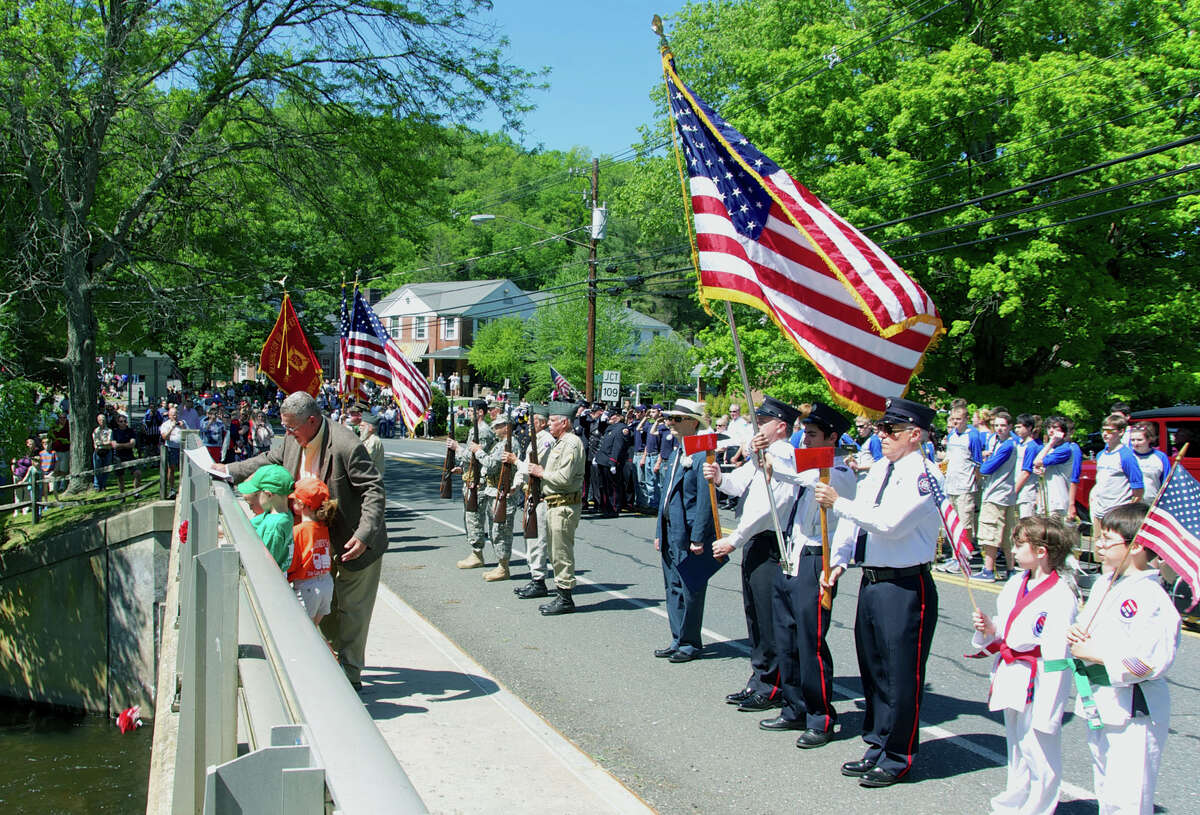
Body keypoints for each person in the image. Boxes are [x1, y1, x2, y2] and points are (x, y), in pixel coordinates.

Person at [813, 397, 941, 788]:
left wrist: (840, 503)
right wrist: (839, 558)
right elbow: (857, 521)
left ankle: (900, 754)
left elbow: (889, 524)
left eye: (891, 431)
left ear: (915, 435)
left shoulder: (926, 475)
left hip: (906, 584)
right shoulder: (882, 468)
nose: (882, 436)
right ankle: (877, 742)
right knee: (874, 670)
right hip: (872, 579)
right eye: (882, 429)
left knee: (901, 674)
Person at [222, 391, 386, 692]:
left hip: (353, 541)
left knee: (352, 611)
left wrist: (363, 534)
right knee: (325, 607)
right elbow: (267, 460)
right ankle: (331, 663)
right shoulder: (292, 440)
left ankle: (349, 678)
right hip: (315, 541)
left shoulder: (346, 444)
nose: (287, 434)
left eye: (292, 428)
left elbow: (373, 490)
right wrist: (227, 470)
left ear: (312, 421)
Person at [1064, 503, 1180, 815]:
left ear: (1137, 545)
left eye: (1107, 539)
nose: (1098, 544)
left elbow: (1149, 662)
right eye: (1099, 537)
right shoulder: (1106, 582)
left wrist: (1097, 655)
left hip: (1133, 707)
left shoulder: (1151, 597)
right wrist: (1078, 633)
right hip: (1102, 700)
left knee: (1129, 797)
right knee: (1107, 791)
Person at [755, 402, 857, 747]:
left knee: (809, 643)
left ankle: (820, 716)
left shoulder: (836, 472)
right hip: (792, 554)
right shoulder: (814, 465)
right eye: (804, 433)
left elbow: (797, 470)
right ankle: (794, 706)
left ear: (832, 437)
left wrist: (771, 445)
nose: (806, 441)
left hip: (817, 559)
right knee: (786, 636)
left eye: (812, 435)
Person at [970, 516, 1078, 814]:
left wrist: (1052, 705)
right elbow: (1007, 627)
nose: (1013, 551)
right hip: (1013, 670)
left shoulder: (1061, 596)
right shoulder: (1017, 582)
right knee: (1017, 745)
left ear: (1042, 551)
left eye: (1019, 546)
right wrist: (989, 627)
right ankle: (1013, 801)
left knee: (1039, 747)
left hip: (1041, 674)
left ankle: (1039, 807)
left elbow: (1058, 655)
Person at [706, 396, 801, 711]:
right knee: (755, 616)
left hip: (772, 541)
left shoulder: (784, 454)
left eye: (765, 421)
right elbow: (739, 484)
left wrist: (736, 540)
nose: (758, 426)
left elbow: (767, 507)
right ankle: (760, 677)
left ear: (781, 426)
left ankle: (773, 684)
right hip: (757, 542)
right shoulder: (763, 454)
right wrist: (719, 477)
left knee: (769, 618)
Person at [653, 399, 718, 662]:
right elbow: (666, 495)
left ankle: (690, 642)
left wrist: (699, 537)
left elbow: (705, 499)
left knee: (690, 587)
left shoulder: (703, 453)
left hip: (689, 531)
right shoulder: (679, 450)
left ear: (693, 422)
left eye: (677, 419)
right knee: (672, 587)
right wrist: (660, 530)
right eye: (670, 418)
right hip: (672, 529)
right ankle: (677, 637)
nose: (670, 423)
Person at [526, 401, 585, 615]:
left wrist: (541, 473)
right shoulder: (560, 442)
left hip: (564, 504)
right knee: (554, 551)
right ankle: (561, 593)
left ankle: (565, 597)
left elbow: (564, 477)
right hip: (554, 503)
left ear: (565, 422)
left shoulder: (571, 443)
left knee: (561, 552)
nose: (549, 424)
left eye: (552, 421)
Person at [509, 405, 555, 598]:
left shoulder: (546, 441)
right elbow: (525, 467)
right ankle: (535, 577)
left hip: (540, 495)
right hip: (529, 495)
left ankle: (539, 581)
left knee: (538, 539)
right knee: (531, 537)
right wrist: (516, 484)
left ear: (542, 423)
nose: (528, 423)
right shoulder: (534, 440)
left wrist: (515, 462)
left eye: (533, 420)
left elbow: (531, 466)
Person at [446, 399, 496, 570]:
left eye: (472, 410)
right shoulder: (474, 430)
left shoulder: (483, 432)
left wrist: (456, 448)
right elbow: (471, 459)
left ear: (481, 412)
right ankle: (475, 552)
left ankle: (477, 553)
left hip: (478, 482)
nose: (468, 413)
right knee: (469, 516)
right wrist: (462, 468)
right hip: (470, 477)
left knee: (474, 517)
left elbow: (475, 455)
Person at [938, 403, 983, 573]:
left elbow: (978, 463)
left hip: (965, 486)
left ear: (966, 419)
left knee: (965, 523)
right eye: (953, 419)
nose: (956, 422)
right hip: (951, 484)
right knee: (952, 522)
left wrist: (975, 483)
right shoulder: (952, 436)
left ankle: (964, 557)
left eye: (959, 419)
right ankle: (954, 555)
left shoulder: (973, 436)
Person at [975, 411, 1018, 581]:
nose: (999, 429)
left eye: (1003, 426)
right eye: (997, 425)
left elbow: (986, 469)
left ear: (1010, 427)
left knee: (990, 533)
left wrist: (984, 459)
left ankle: (988, 570)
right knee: (1008, 535)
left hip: (996, 495)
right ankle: (1011, 568)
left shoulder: (1007, 445)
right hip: (1006, 495)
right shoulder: (997, 441)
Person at [289, 477, 337, 626]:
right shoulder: (324, 527)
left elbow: (293, 561)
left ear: (301, 504)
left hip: (306, 587)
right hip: (326, 584)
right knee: (313, 631)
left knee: (303, 632)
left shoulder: (298, 530)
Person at [480, 414, 522, 582]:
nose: (494, 429)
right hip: (494, 491)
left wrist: (478, 453)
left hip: (504, 493)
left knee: (502, 531)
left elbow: (491, 465)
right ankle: (500, 564)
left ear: (507, 427)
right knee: (494, 530)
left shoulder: (508, 444)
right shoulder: (501, 444)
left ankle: (503, 567)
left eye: (498, 426)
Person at [238, 464, 296, 571]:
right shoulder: (285, 515)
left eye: (257, 494)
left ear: (269, 495)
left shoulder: (274, 526)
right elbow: (247, 526)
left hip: (267, 582)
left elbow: (265, 565)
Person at [1089, 414, 1144, 526]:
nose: (1105, 434)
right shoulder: (1101, 455)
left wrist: (1126, 513)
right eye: (1103, 430)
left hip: (1117, 514)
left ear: (1121, 432)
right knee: (1099, 543)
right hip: (1099, 511)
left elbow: (1138, 489)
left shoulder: (1126, 456)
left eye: (1109, 431)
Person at [1011, 414, 1042, 519]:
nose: (1017, 430)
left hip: (1026, 493)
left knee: (1026, 524)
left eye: (1020, 427)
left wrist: (1013, 491)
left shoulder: (1032, 446)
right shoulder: (1019, 444)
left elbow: (1026, 472)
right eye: (1016, 427)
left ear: (1029, 428)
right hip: (1017, 490)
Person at [1129, 423, 1171, 502]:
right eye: (1132, 440)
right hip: (1131, 503)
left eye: (1139, 440)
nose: (1135, 443)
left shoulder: (1160, 457)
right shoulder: (1127, 456)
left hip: (1152, 502)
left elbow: (1166, 481)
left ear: (1149, 439)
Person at [159, 404, 188, 486]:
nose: (175, 416)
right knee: (171, 468)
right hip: (171, 448)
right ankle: (172, 487)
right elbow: (164, 437)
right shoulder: (165, 425)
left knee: (182, 468)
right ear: (169, 415)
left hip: (182, 448)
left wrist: (183, 427)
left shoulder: (182, 422)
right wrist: (171, 428)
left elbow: (188, 433)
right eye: (173, 415)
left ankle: (182, 486)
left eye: (176, 414)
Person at [110, 414, 139, 491]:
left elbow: (132, 444)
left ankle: (136, 492)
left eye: (125, 421)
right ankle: (122, 495)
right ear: (118, 422)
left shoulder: (131, 431)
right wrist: (126, 444)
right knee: (120, 477)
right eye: (121, 421)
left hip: (129, 455)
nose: (123, 423)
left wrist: (120, 445)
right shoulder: (115, 432)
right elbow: (114, 445)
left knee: (137, 473)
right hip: (118, 456)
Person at [92, 413, 113, 491]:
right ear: (98, 421)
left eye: (103, 419)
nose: (102, 421)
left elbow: (110, 441)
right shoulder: (96, 431)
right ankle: (97, 486)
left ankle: (104, 485)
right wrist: (104, 442)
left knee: (106, 469)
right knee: (97, 469)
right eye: (100, 420)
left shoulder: (109, 430)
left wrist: (102, 443)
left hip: (107, 451)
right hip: (98, 452)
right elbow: (96, 442)